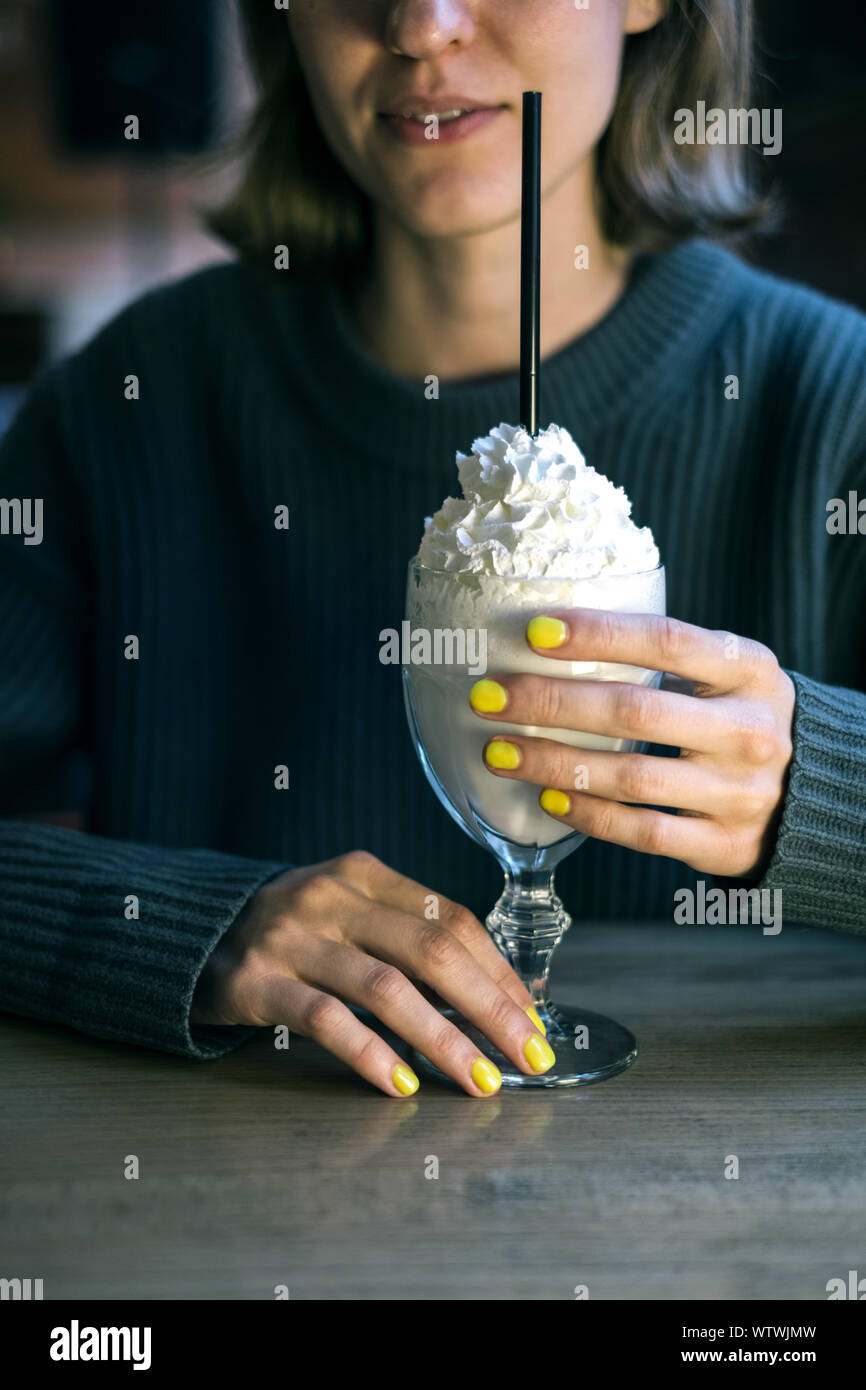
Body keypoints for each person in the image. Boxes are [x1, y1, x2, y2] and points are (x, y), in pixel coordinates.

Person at [1, 0, 864, 1099]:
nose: (419, 25)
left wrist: (825, 791)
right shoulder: (121, 411)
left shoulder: (833, 414)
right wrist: (195, 929)